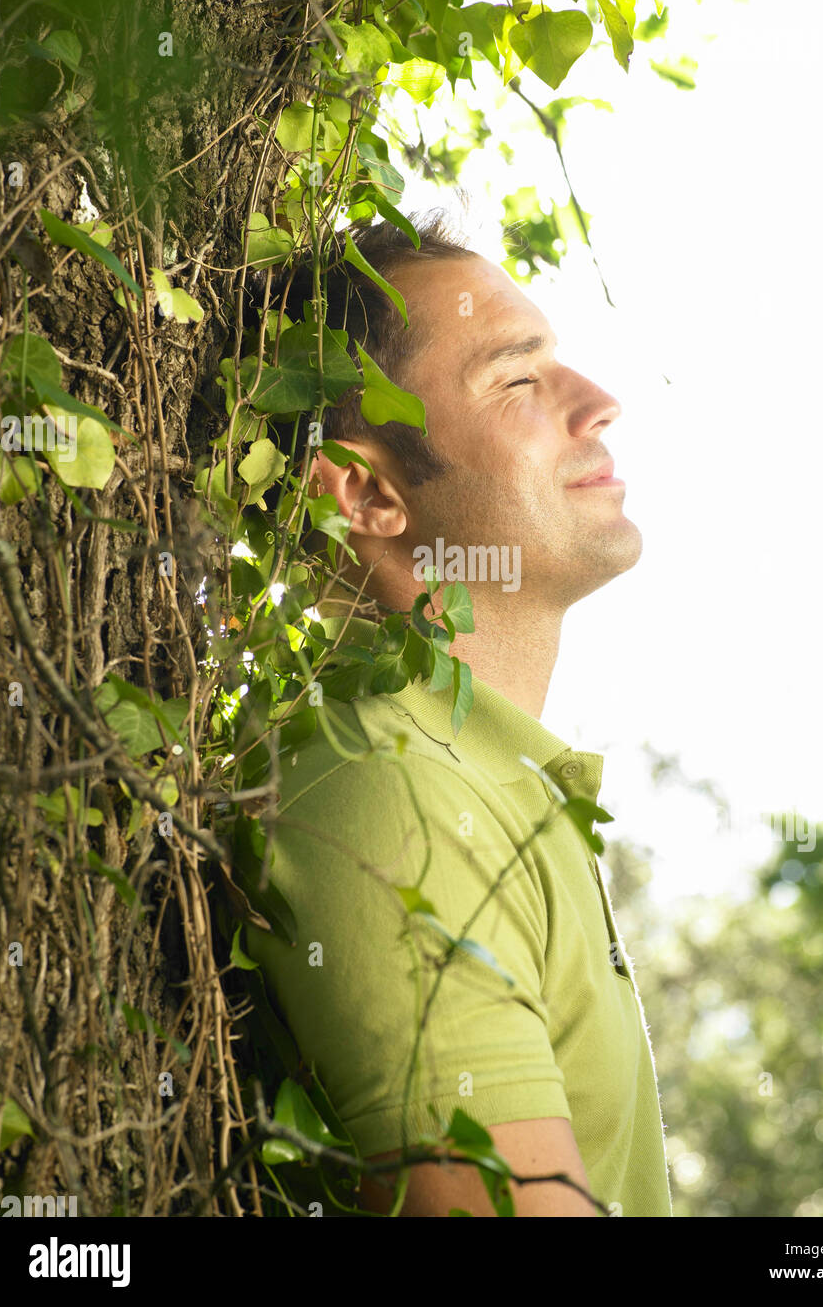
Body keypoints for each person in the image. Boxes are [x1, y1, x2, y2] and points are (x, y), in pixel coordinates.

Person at [245, 211, 672, 1217]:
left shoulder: (473, 779)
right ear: (366, 492)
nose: (599, 404)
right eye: (518, 379)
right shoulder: (394, 795)